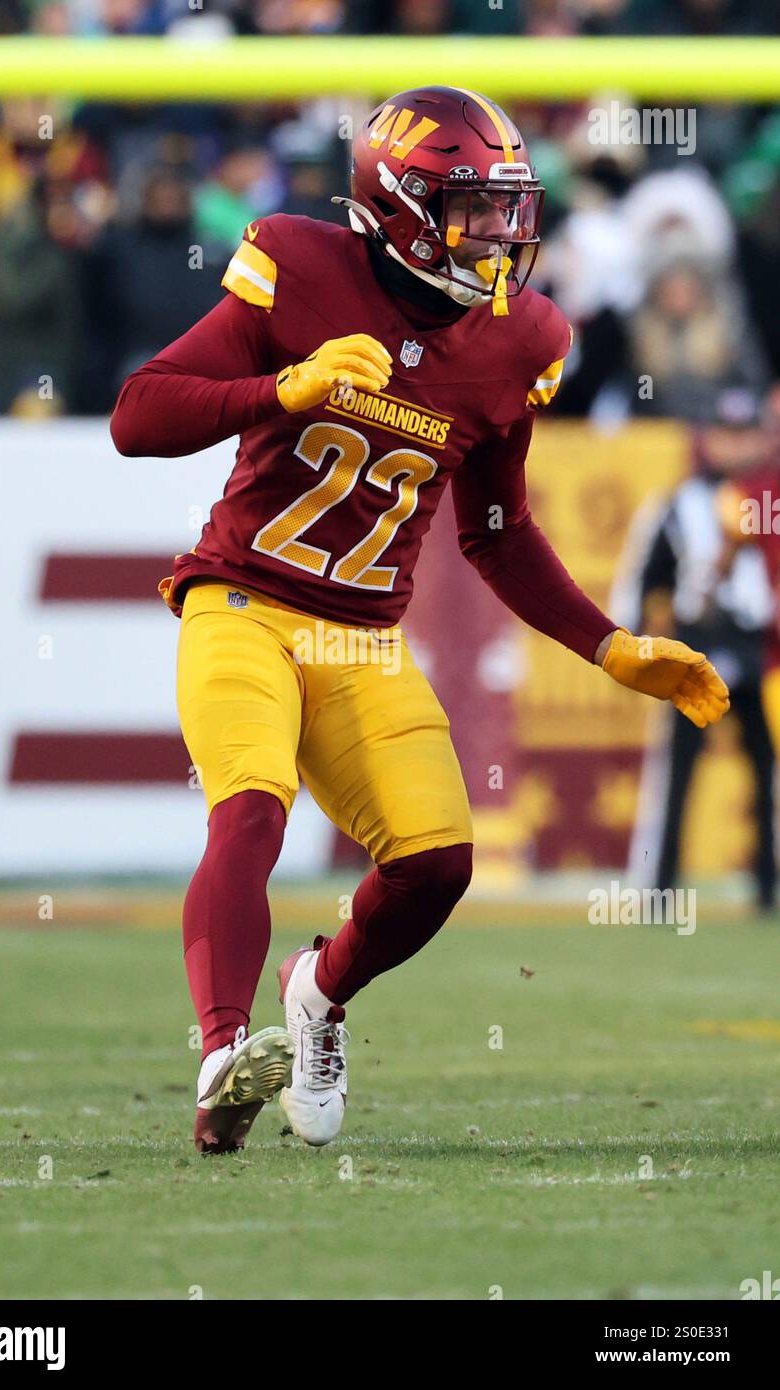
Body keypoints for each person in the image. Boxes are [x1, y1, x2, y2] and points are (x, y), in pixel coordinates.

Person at [111, 86, 730, 1155]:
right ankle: (222, 1054)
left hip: (360, 635)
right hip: (244, 600)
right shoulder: (297, 266)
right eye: (472, 209)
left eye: (507, 208)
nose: (499, 233)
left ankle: (316, 994)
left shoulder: (518, 337)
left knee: (437, 863)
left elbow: (495, 529)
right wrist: (282, 387)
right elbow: (139, 413)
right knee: (249, 811)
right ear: (398, 207)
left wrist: (609, 644)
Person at [618, 387, 776, 909]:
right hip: (699, 642)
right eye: (725, 434)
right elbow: (647, 577)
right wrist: (633, 645)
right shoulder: (677, 502)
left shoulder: (770, 497)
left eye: (744, 433)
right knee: (677, 767)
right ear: (708, 438)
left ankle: (768, 886)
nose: (734, 446)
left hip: (759, 641)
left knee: (766, 765)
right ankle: (660, 887)